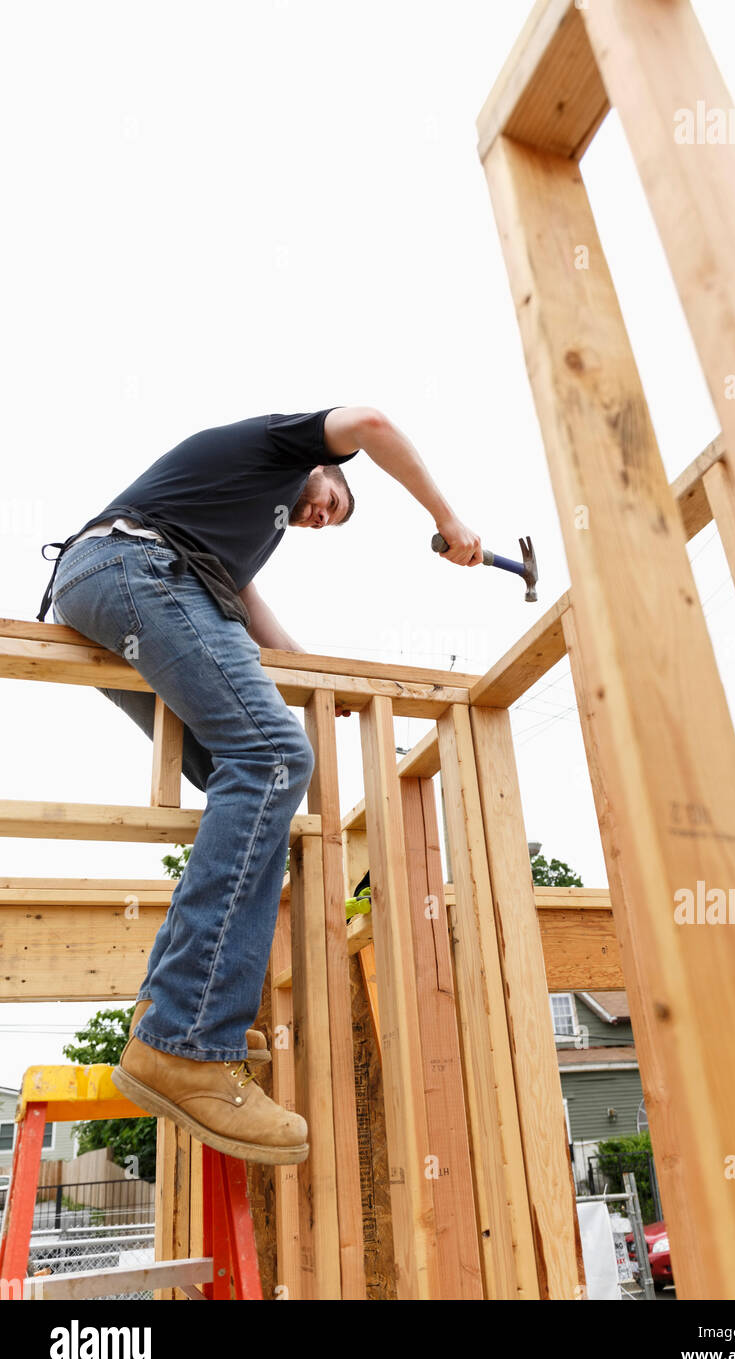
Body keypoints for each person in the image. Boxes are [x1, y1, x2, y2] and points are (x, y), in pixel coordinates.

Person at [38, 406, 482, 1165]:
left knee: (242, 778)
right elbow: (373, 421)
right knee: (277, 756)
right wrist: (450, 521)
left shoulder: (235, 523)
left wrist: (317, 675)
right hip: (133, 570)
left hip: (117, 580)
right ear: (324, 469)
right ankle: (189, 1038)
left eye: (326, 525)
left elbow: (244, 605)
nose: (319, 517)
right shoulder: (286, 444)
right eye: (331, 505)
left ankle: (174, 1011)